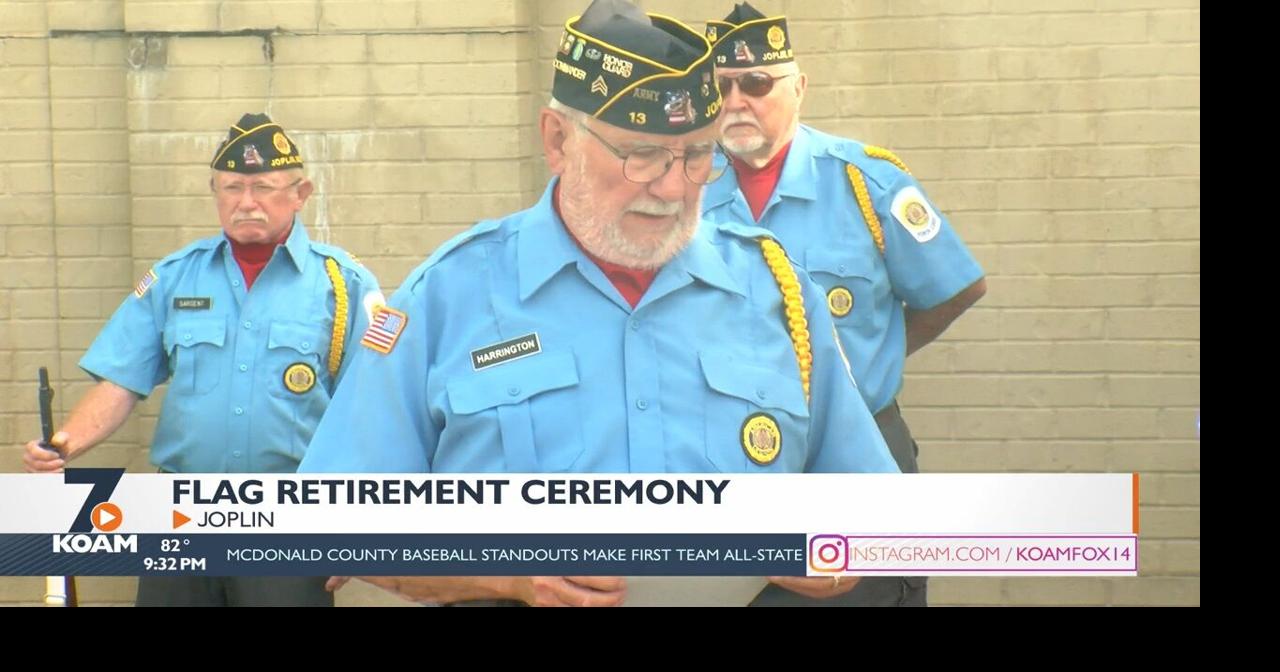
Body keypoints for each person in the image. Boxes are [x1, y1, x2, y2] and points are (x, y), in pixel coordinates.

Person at [299, 0, 899, 607]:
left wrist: (837, 550)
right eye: (641, 154)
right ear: (557, 140)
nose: (672, 187)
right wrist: (505, 577)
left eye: (697, 156)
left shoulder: (777, 292)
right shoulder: (447, 297)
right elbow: (335, 526)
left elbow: (868, 503)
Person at [23, 113, 382, 607]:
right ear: (215, 191)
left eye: (264, 187)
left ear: (301, 194)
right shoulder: (175, 278)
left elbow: (373, 410)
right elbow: (121, 382)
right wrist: (64, 444)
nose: (246, 202)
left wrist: (357, 527)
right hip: (182, 518)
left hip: (291, 519)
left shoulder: (344, 285)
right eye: (232, 187)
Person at [701, 2, 988, 606]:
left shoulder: (864, 182)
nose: (736, 101)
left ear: (799, 87)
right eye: (720, 86)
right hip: (728, 457)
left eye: (757, 83)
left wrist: (867, 359)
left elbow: (956, 287)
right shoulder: (682, 190)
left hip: (857, 449)